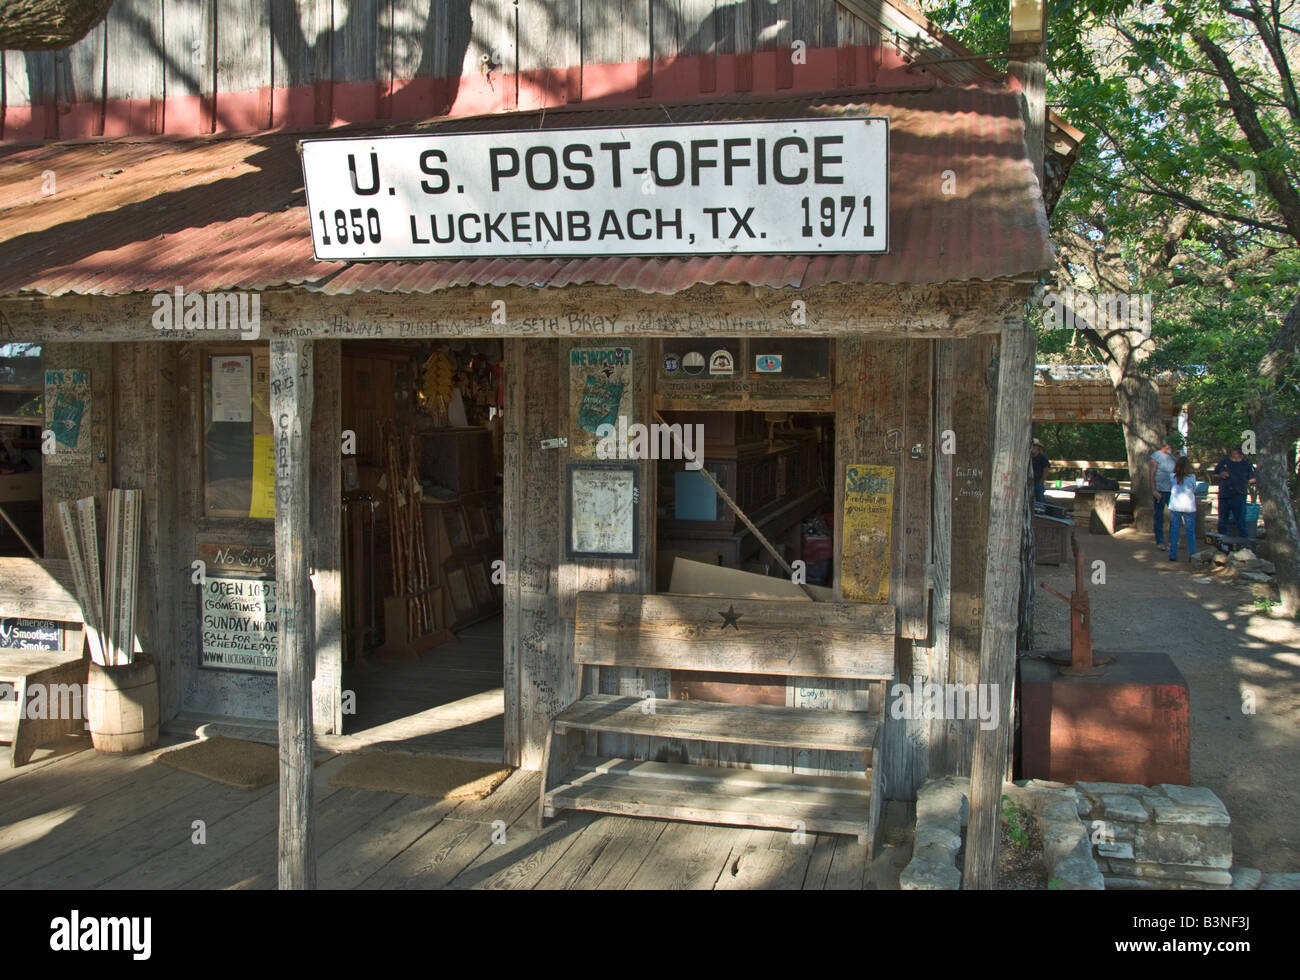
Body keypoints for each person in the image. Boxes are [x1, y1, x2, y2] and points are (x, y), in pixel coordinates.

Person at [1211, 447, 1257, 538]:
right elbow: (1214, 475)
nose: (1233, 457)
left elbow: (1252, 478)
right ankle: (1222, 542)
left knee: (1241, 521)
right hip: (1224, 495)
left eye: (1235, 454)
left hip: (1239, 495)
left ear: (1240, 455)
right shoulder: (1223, 463)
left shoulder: (1246, 465)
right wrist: (1220, 475)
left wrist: (1249, 481)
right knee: (1222, 521)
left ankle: (1243, 544)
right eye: (1232, 455)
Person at [1167, 455, 1198, 561]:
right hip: (1189, 507)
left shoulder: (1172, 477)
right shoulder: (1192, 477)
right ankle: (1192, 555)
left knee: (1174, 531)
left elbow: (1170, 487)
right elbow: (1194, 489)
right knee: (1190, 532)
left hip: (1175, 506)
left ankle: (1173, 554)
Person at [1148, 440, 1176, 547]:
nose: (1172, 449)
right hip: (1160, 490)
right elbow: (1151, 474)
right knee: (1159, 515)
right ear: (1166, 446)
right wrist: (1154, 490)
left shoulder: (1173, 457)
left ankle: (1173, 540)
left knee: (1175, 516)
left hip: (1172, 491)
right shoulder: (1156, 457)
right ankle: (1160, 541)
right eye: (1171, 447)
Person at [1030, 438, 1050, 504]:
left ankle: (1041, 511)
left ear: (1038, 447)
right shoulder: (1028, 457)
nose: (1033, 447)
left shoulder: (1042, 458)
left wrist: (1041, 481)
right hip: (1029, 481)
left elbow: (1046, 470)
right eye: (1032, 445)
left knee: (1040, 500)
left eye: (1034, 446)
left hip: (1038, 482)